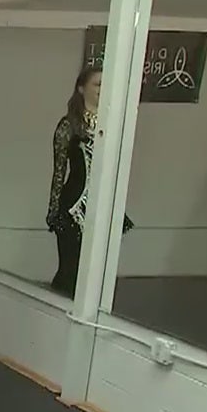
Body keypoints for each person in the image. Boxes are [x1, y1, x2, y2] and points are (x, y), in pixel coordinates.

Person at [47, 65, 133, 296]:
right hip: (73, 209)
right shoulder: (68, 126)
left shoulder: (112, 126)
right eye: (98, 84)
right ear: (81, 88)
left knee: (98, 275)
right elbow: (58, 172)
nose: (102, 89)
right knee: (70, 270)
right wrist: (53, 211)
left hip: (103, 209)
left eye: (106, 85)